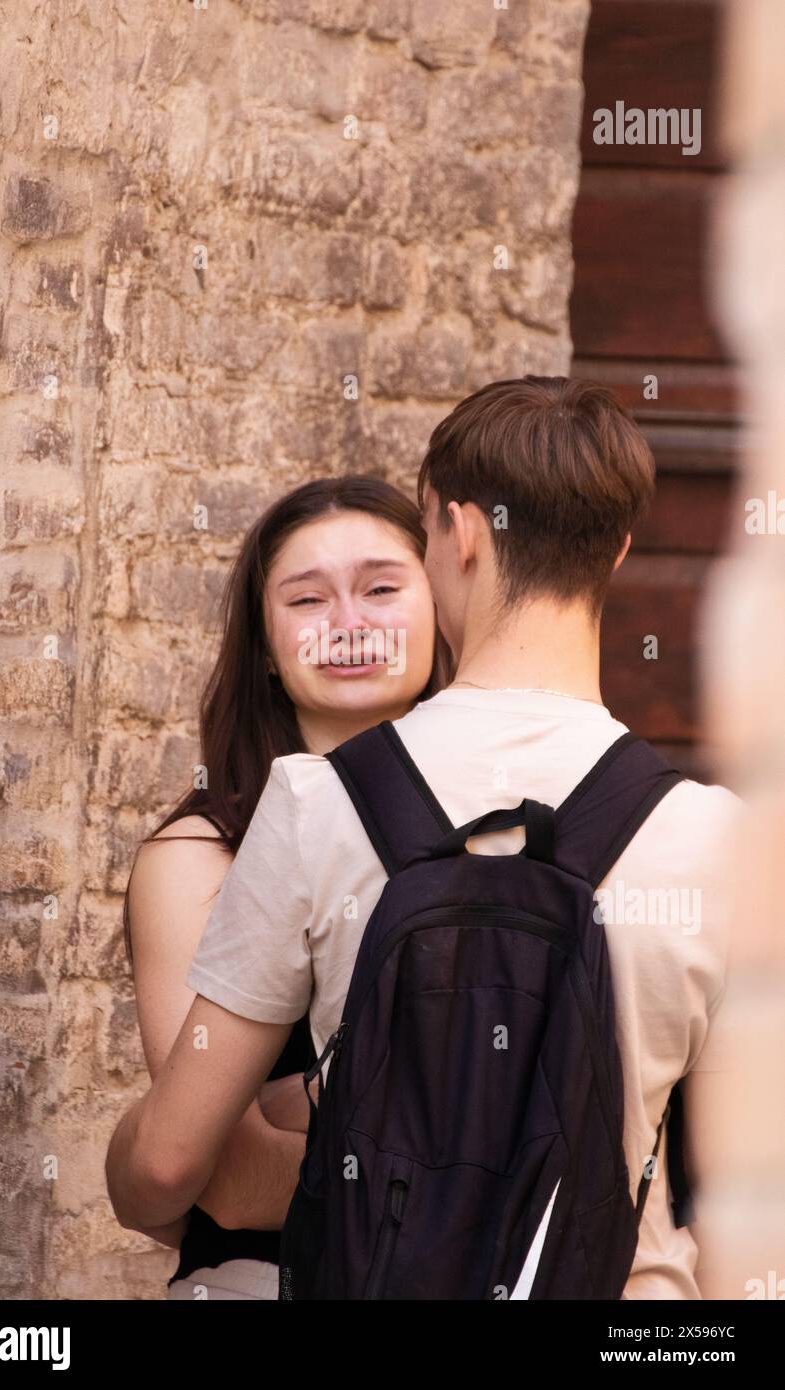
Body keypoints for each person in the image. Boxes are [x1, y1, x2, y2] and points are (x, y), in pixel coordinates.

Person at [107, 376, 739, 1299]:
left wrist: (136, 1160)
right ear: (619, 551)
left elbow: (168, 1167)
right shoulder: (720, 838)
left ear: (461, 533)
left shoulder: (317, 802)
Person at [122, 474, 450, 1299]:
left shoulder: (514, 821)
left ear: (440, 605)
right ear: (266, 648)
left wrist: (308, 1101)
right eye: (307, 601)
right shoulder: (199, 858)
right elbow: (229, 1185)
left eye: (381, 587)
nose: (349, 624)